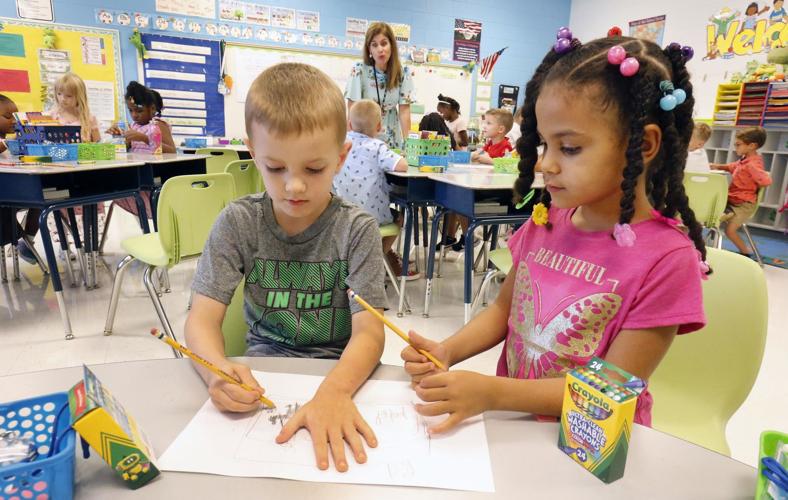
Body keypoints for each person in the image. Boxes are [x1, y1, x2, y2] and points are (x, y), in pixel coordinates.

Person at [401, 36, 708, 434]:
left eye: (570, 148)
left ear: (643, 144)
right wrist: (447, 350)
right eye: (545, 144)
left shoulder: (667, 259)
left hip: (589, 443)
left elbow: (611, 387)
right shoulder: (546, 220)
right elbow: (501, 311)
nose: (545, 163)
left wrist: (494, 393)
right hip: (514, 427)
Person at [185, 63, 388, 473]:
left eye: (313, 169)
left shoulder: (356, 229)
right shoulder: (238, 223)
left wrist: (334, 391)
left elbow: (370, 332)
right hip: (266, 372)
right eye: (275, 168)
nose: (294, 186)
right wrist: (216, 371)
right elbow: (200, 320)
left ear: (341, 157)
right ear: (252, 152)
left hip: (344, 371)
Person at [333, 99, 417, 280]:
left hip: (341, 214)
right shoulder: (377, 147)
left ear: (348, 124)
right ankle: (374, 260)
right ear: (379, 126)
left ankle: (358, 261)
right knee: (399, 217)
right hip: (372, 217)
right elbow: (402, 166)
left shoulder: (339, 145)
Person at [345, 22, 414, 149]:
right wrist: (350, 146)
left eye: (384, 43)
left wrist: (409, 146)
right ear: (369, 49)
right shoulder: (359, 71)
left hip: (392, 137)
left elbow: (404, 112)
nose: (380, 49)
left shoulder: (403, 72)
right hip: (364, 136)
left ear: (391, 45)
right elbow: (352, 110)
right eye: (374, 45)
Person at [711, 127, 773, 257]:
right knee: (710, 207)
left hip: (744, 205)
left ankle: (746, 252)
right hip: (733, 199)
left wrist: (754, 171)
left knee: (730, 231)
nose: (735, 147)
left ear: (752, 146)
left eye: (738, 145)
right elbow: (733, 167)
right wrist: (718, 166)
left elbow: (766, 181)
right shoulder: (745, 159)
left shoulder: (754, 163)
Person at [108, 81, 163, 217]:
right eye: (131, 110)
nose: (134, 115)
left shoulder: (155, 126)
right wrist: (120, 138)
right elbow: (130, 147)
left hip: (150, 175)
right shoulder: (134, 126)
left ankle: (147, 217)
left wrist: (144, 138)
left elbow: (164, 149)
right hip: (136, 172)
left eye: (139, 110)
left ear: (152, 109)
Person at [48, 73, 101, 142]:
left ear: (79, 96)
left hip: (81, 152)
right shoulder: (52, 116)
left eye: (69, 96)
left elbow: (98, 145)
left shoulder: (89, 119)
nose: (62, 99)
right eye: (59, 94)